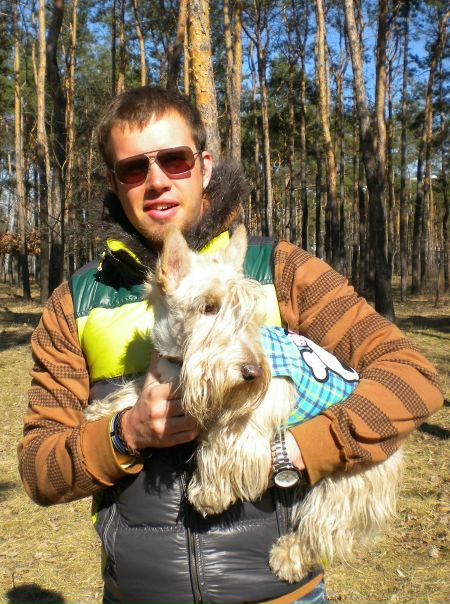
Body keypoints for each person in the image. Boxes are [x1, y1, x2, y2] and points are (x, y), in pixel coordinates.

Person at [18, 86, 443, 604]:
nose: (157, 181)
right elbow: (39, 472)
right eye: (134, 168)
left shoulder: (281, 269)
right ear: (114, 182)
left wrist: (294, 451)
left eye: (174, 160)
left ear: (204, 166)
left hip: (282, 595)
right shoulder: (77, 302)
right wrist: (125, 433)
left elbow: (413, 379)